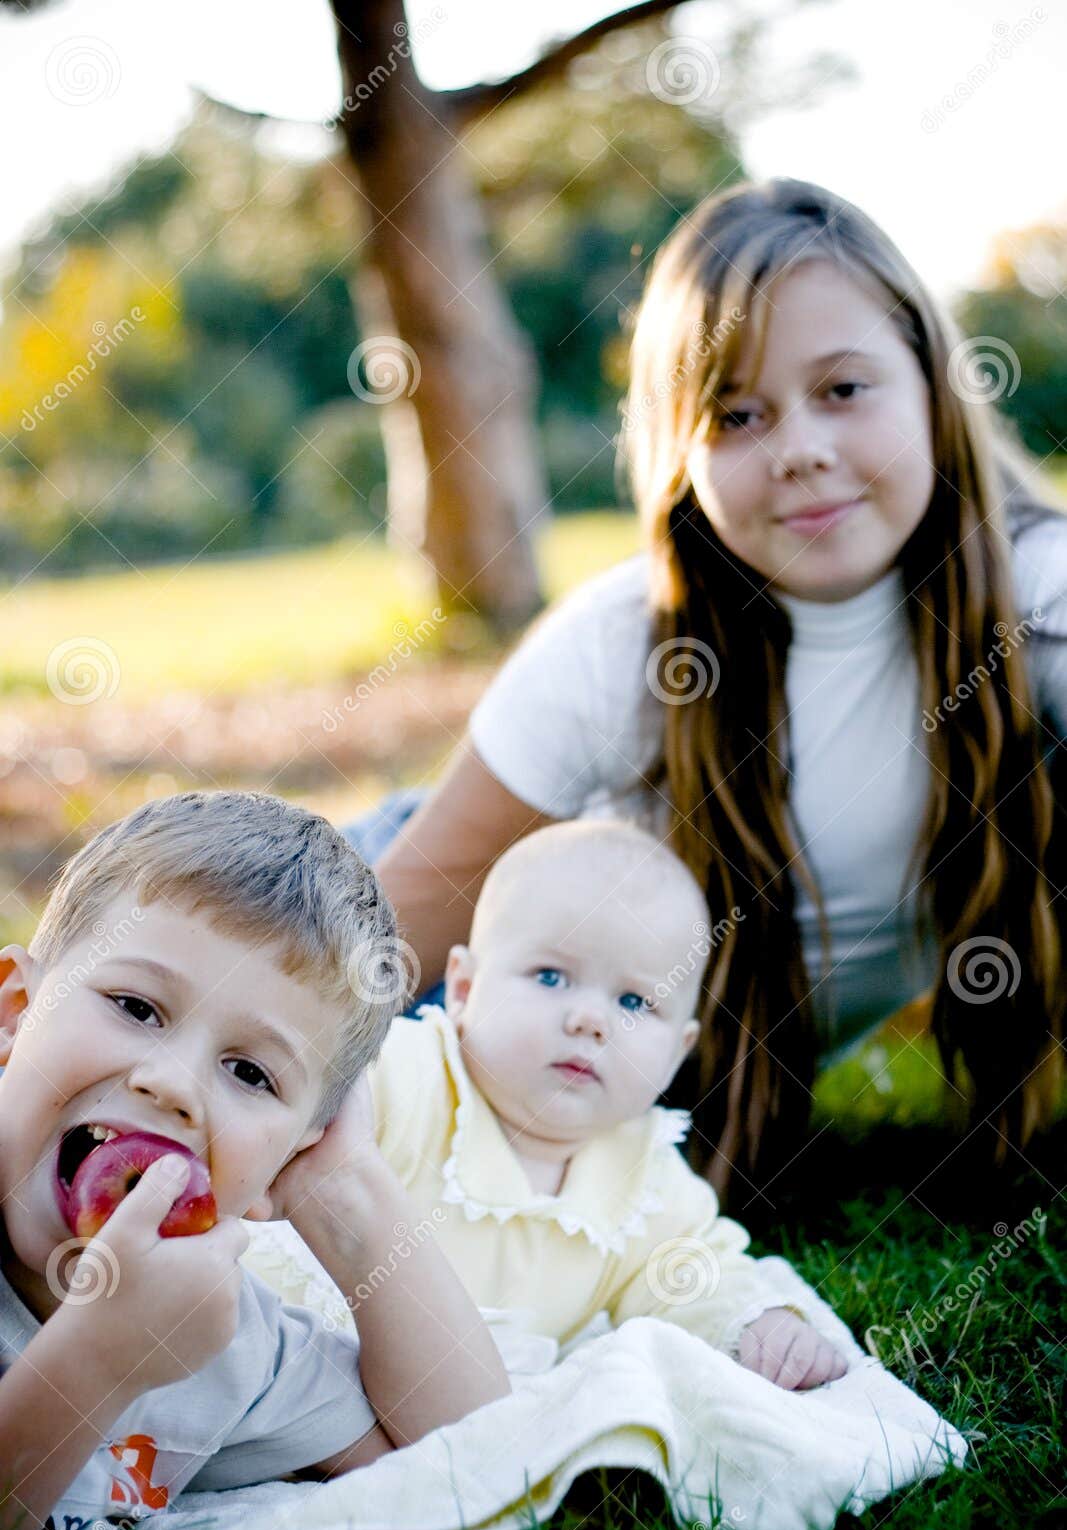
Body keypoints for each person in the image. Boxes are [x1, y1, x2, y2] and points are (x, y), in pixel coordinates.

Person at [353, 177, 1067, 1201]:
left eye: (842, 389)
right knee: (197, 1017)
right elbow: (369, 946)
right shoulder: (621, 649)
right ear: (679, 450)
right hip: (451, 937)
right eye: (737, 414)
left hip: (603, 1048)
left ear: (930, 388)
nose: (801, 451)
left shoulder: (1035, 600)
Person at [0, 790, 509, 1530]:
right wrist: (98, 1361)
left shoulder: (221, 1334)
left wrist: (349, 1197)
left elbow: (483, 1474)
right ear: (13, 1010)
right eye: (137, 1008)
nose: (171, 1084)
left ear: (291, 1155)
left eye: (249, 1072)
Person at [243, 819, 851, 1393]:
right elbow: (287, 1110)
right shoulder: (403, 1075)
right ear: (464, 988)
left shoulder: (646, 1182)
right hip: (274, 1346)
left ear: (678, 1051)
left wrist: (756, 1327)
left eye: (636, 1003)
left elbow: (696, 1278)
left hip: (434, 1402)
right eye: (551, 977)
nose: (589, 1020)